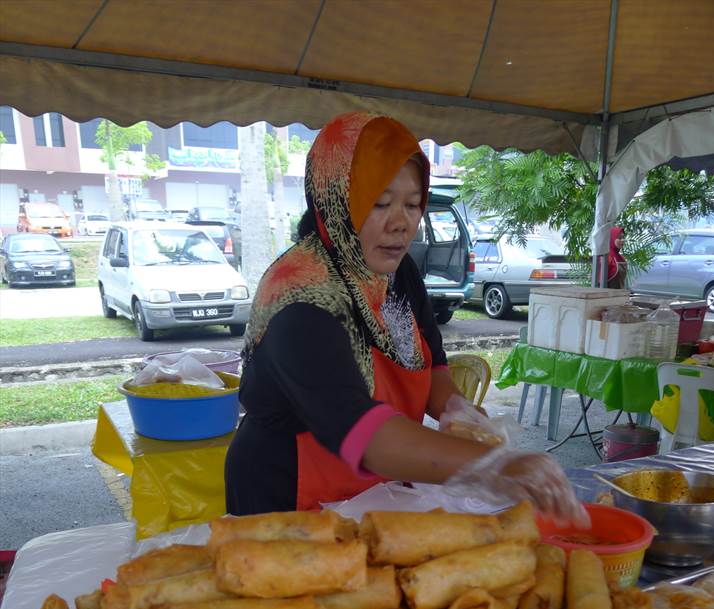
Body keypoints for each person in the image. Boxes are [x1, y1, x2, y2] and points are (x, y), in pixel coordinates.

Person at [225, 111, 585, 524]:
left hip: (375, 492)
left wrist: (456, 411)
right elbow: (363, 432)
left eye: (413, 204)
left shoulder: (398, 272)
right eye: (379, 203)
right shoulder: (300, 298)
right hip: (286, 496)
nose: (401, 224)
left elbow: (432, 364)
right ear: (335, 199)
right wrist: (494, 464)